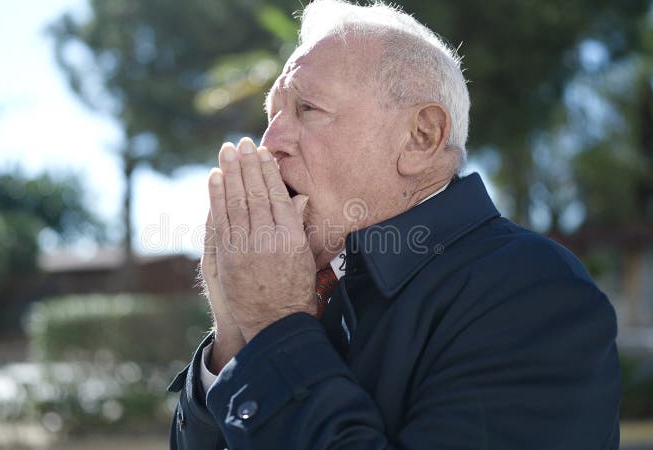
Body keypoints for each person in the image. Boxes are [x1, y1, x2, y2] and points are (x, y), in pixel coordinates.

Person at [168, 1, 621, 448]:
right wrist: (233, 337)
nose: (270, 143)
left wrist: (275, 327)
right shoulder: (316, 287)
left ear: (421, 137)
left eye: (307, 108)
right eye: (273, 115)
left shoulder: (534, 290)